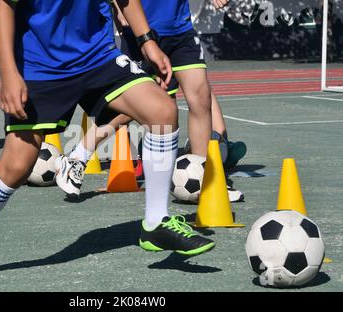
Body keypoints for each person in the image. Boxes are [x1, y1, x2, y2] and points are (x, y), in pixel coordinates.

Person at [0, 0, 215, 287]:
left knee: (162, 112)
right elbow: (5, 7)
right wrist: (8, 74)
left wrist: (147, 42)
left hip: (97, 57)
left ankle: (156, 222)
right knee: (16, 166)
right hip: (39, 68)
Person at [55, 0, 246, 199]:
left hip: (180, 29)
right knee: (130, 110)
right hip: (141, 32)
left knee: (201, 96)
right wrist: (118, 8)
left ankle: (203, 179)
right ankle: (77, 158)